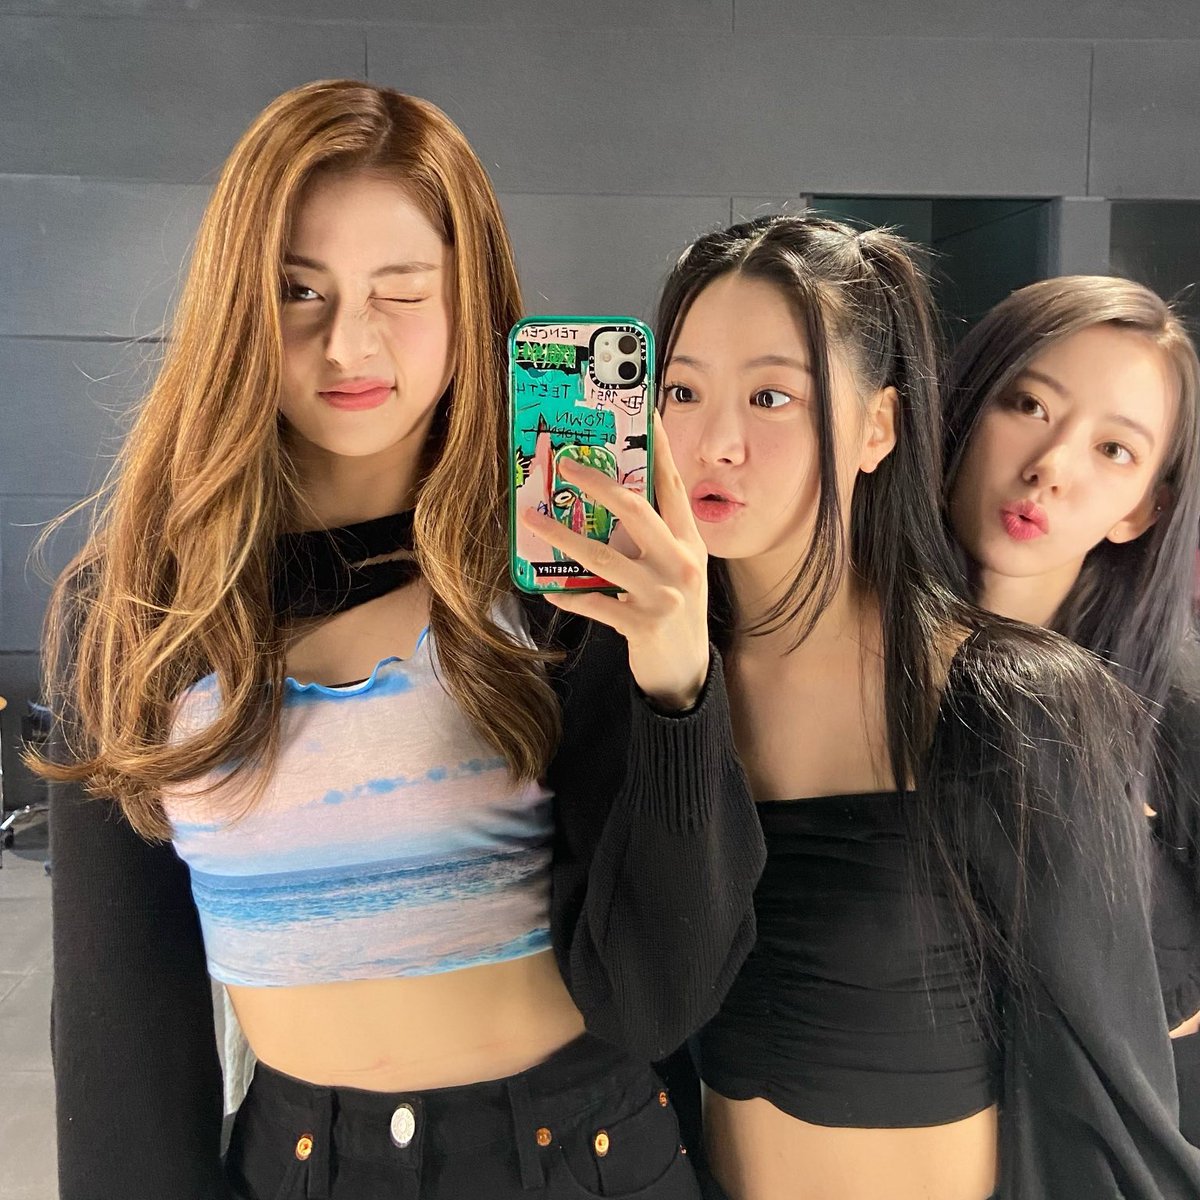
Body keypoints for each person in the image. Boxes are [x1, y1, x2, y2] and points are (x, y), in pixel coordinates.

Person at [38, 80, 763, 1200]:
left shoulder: (564, 574)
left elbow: (663, 998)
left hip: (585, 1157)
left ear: (471, 300)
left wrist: (676, 680)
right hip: (297, 1165)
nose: (349, 343)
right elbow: (120, 1027)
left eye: (403, 292)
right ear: (237, 302)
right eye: (298, 290)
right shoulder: (140, 603)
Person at [654, 214, 1200, 1198]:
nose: (715, 442)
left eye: (771, 395)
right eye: (681, 391)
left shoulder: (1027, 703)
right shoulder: (648, 686)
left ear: (881, 425)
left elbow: (1112, 1104)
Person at [942, 275, 1200, 1143]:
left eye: (1114, 450)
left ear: (1144, 511)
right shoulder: (843, 643)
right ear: (963, 406)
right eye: (1028, 405)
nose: (1050, 466)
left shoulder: (1171, 694)